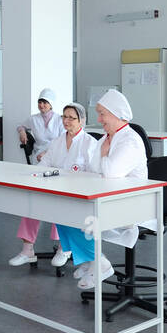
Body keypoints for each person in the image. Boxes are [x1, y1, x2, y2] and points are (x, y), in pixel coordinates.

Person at [52, 89, 148, 289]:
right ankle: (91, 261)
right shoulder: (106, 138)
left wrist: (104, 156)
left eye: (102, 113)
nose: (99, 118)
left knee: (79, 214)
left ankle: (99, 263)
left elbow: (111, 172)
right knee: (61, 210)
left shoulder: (131, 140)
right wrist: (104, 156)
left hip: (132, 202)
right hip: (107, 195)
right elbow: (95, 169)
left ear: (116, 114)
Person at [8, 102, 99, 266]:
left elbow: (94, 173)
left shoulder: (89, 143)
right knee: (32, 202)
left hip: (78, 193)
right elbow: (46, 162)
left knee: (61, 205)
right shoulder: (57, 141)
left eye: (72, 118)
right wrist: (32, 176)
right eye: (65, 116)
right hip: (56, 186)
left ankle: (64, 247)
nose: (67, 121)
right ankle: (27, 249)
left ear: (81, 121)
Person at [17, 88, 63, 163]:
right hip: (39, 154)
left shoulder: (59, 119)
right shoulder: (33, 119)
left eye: (45, 103)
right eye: (40, 102)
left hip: (55, 153)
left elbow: (63, 140)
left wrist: (47, 153)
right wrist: (22, 132)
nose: (41, 105)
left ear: (51, 104)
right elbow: (20, 125)